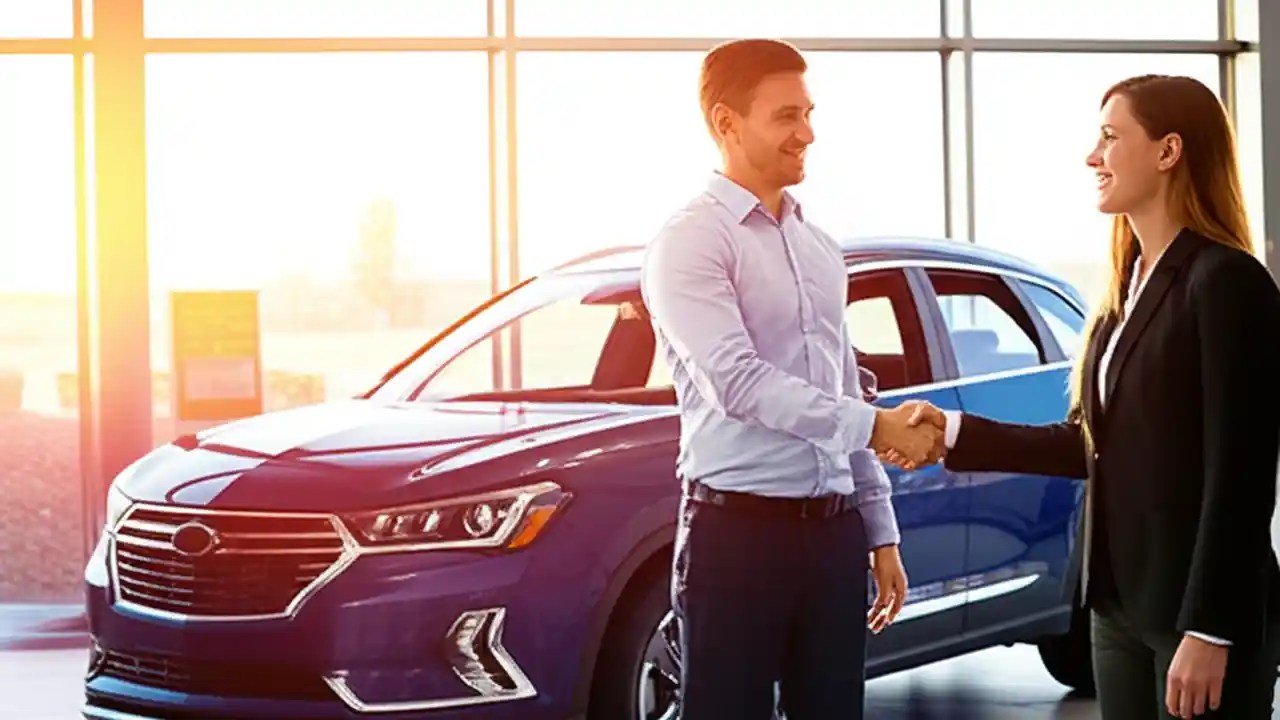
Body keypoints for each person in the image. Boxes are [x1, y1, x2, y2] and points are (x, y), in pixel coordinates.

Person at [889, 74, 1280, 719]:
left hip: (1196, 616)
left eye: (1109, 137)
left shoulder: (1227, 283)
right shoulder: (1123, 291)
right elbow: (1091, 445)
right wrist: (952, 432)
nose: (1091, 157)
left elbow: (1240, 474)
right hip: (1116, 608)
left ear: (1168, 151)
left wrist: (1212, 629)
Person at [639, 38, 941, 719]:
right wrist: (878, 427)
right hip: (735, 535)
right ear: (726, 122)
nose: (807, 133)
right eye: (786, 116)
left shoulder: (819, 247)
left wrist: (878, 527)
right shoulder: (692, 241)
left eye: (808, 113)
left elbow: (842, 386)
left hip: (833, 538)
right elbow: (738, 383)